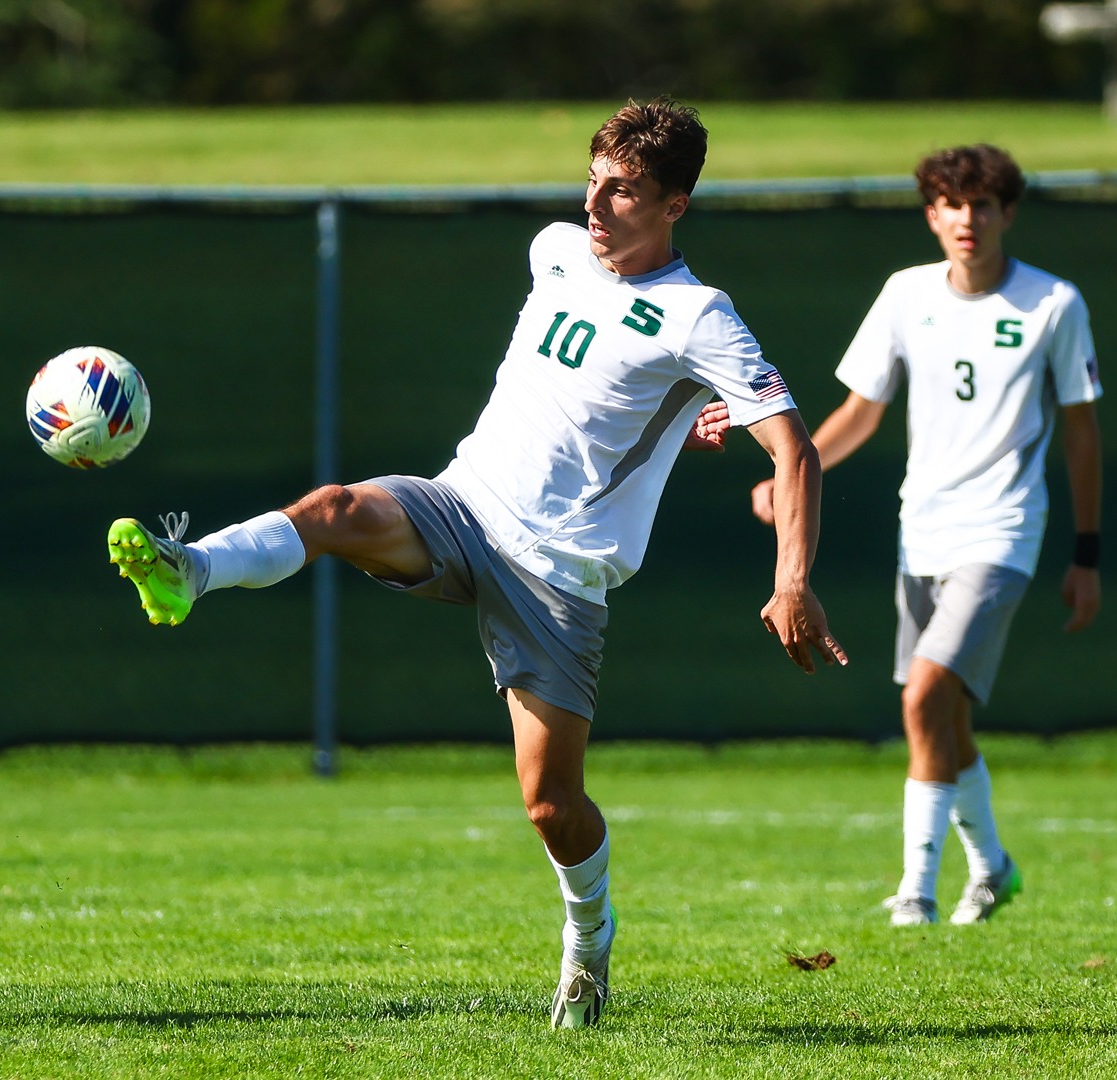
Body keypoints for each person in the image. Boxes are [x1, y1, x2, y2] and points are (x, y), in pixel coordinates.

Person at [107, 99, 847, 1029]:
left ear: (676, 206)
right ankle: (189, 570)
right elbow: (597, 397)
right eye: (593, 181)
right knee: (334, 508)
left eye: (624, 192)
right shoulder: (554, 249)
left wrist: (790, 581)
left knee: (549, 805)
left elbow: (794, 449)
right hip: (459, 506)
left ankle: (590, 937)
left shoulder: (700, 316)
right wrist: (672, 430)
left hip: (558, 578)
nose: (597, 205)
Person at [750, 144, 1102, 927]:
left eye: (982, 205)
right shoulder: (906, 295)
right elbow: (861, 413)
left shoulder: (1054, 304)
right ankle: (995, 869)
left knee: (925, 699)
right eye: (950, 204)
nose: (966, 219)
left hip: (1005, 533)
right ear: (931, 215)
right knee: (945, 721)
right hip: (924, 531)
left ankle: (916, 889)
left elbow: (1081, 434)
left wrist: (1086, 552)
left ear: (1007, 213)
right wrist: (790, 473)